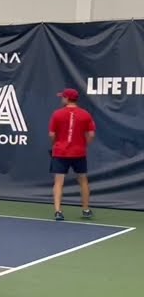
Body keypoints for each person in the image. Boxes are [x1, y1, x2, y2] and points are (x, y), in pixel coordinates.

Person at [49, 88, 96, 221]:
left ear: (67, 99)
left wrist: (56, 144)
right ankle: (86, 209)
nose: (61, 99)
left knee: (59, 182)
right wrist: (84, 144)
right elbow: (91, 134)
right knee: (83, 180)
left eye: (62, 97)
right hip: (79, 153)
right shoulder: (85, 114)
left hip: (60, 153)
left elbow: (52, 134)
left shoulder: (57, 114)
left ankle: (58, 211)